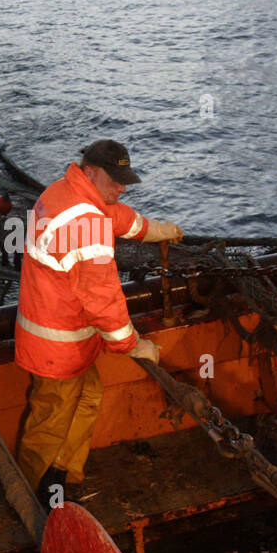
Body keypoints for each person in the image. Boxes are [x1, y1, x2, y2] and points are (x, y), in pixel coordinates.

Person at [14, 139, 183, 500]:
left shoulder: (66, 191)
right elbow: (102, 296)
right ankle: (33, 498)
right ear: (90, 171)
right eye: (115, 179)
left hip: (65, 334)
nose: (121, 187)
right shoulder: (85, 222)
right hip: (57, 343)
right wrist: (134, 345)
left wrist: (153, 229)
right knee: (51, 419)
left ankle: (60, 475)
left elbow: (114, 214)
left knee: (88, 396)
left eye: (125, 179)